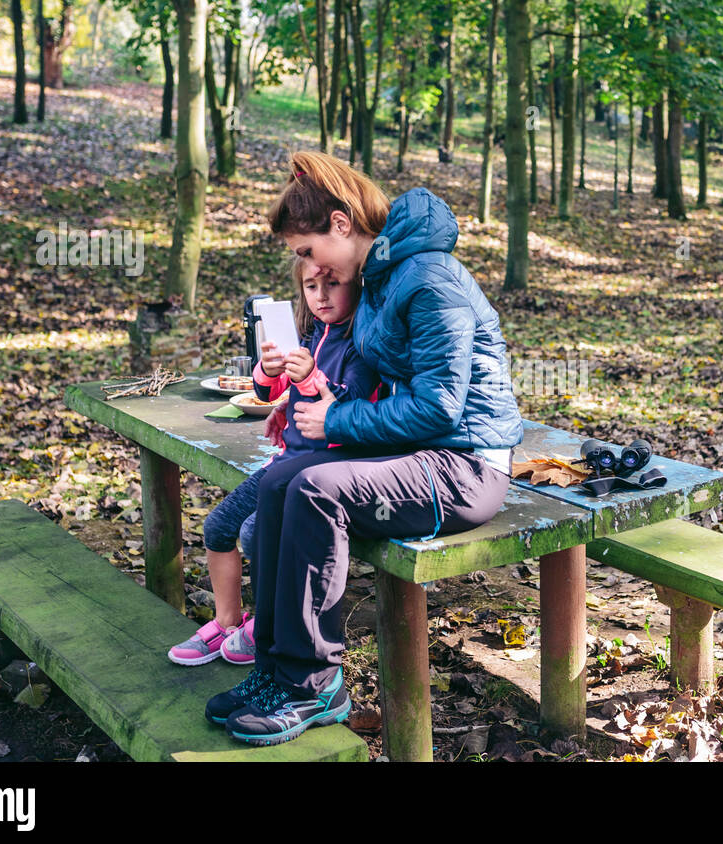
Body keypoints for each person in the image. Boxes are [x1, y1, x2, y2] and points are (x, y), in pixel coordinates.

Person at [205, 151, 523, 746]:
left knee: (316, 490)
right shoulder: (380, 277)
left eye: (306, 249)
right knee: (280, 481)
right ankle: (275, 669)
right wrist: (295, 387)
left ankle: (314, 683)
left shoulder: (429, 280)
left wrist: (337, 417)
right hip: (412, 450)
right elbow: (360, 373)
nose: (304, 264)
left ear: (342, 225)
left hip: (466, 464)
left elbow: (439, 406)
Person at [167, 254, 380, 666]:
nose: (321, 297)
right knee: (219, 526)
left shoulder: (362, 346)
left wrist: (310, 378)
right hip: (286, 459)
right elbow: (266, 395)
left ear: (356, 284)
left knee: (254, 533)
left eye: (332, 285)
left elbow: (351, 403)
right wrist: (268, 373)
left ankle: (265, 624)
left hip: (324, 470)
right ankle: (228, 619)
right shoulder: (310, 334)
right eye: (311, 287)